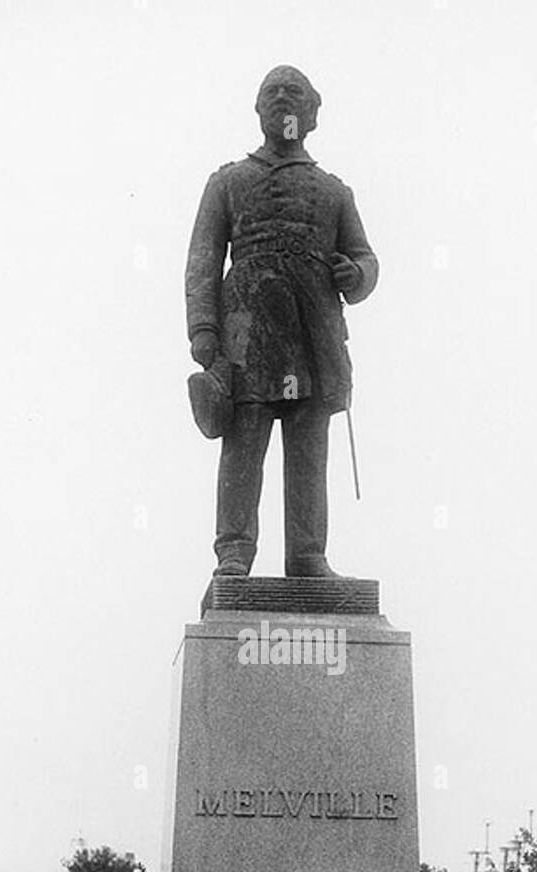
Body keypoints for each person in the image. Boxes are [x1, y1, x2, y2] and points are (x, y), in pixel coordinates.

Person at [185, 65, 379, 579]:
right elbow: (203, 262)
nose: (281, 99)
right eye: (271, 92)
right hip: (247, 335)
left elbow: (366, 259)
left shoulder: (334, 192)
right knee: (244, 441)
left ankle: (307, 554)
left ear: (312, 114)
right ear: (257, 109)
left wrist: (354, 273)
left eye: (293, 92)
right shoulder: (228, 181)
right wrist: (204, 332)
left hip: (312, 335)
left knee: (309, 447)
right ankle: (234, 551)